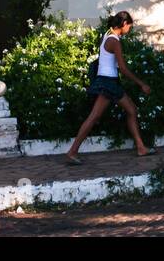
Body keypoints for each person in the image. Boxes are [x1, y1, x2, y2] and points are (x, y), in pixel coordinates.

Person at [65, 11, 155, 164]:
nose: (129, 30)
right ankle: (73, 151)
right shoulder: (115, 41)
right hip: (109, 83)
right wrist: (142, 84)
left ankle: (141, 147)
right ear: (124, 24)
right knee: (97, 117)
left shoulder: (107, 34)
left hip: (107, 81)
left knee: (130, 110)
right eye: (130, 27)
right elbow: (123, 68)